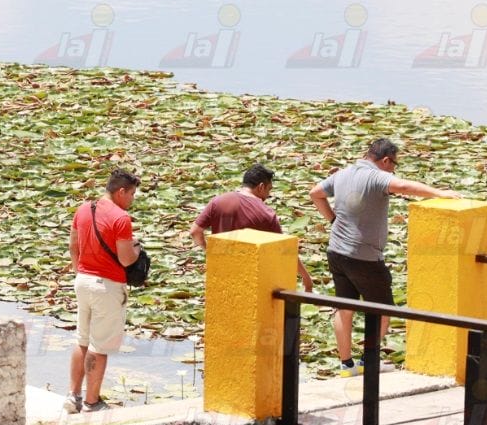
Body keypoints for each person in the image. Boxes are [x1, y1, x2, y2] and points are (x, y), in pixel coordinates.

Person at [309, 138, 458, 377]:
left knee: (344, 306)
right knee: (383, 309)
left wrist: (333, 220)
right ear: (386, 160)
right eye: (394, 165)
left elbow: (315, 193)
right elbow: (405, 187)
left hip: (336, 252)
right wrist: (440, 193)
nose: (393, 170)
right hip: (364, 257)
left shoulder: (344, 173)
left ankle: (346, 365)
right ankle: (369, 362)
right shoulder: (376, 176)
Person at [64, 168, 142, 414]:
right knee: (100, 346)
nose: (132, 200)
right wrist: (138, 249)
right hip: (106, 287)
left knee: (82, 340)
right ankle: (91, 401)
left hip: (83, 281)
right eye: (131, 194)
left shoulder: (84, 209)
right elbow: (127, 259)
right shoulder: (121, 219)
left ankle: (73, 396)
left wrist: (81, 271)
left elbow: (73, 246)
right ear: (121, 192)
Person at [189, 163, 314, 292]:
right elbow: (284, 250)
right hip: (250, 279)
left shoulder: (217, 201)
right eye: (269, 190)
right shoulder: (266, 213)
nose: (268, 195)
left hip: (220, 272)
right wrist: (306, 277)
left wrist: (210, 253)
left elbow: (195, 232)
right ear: (261, 187)